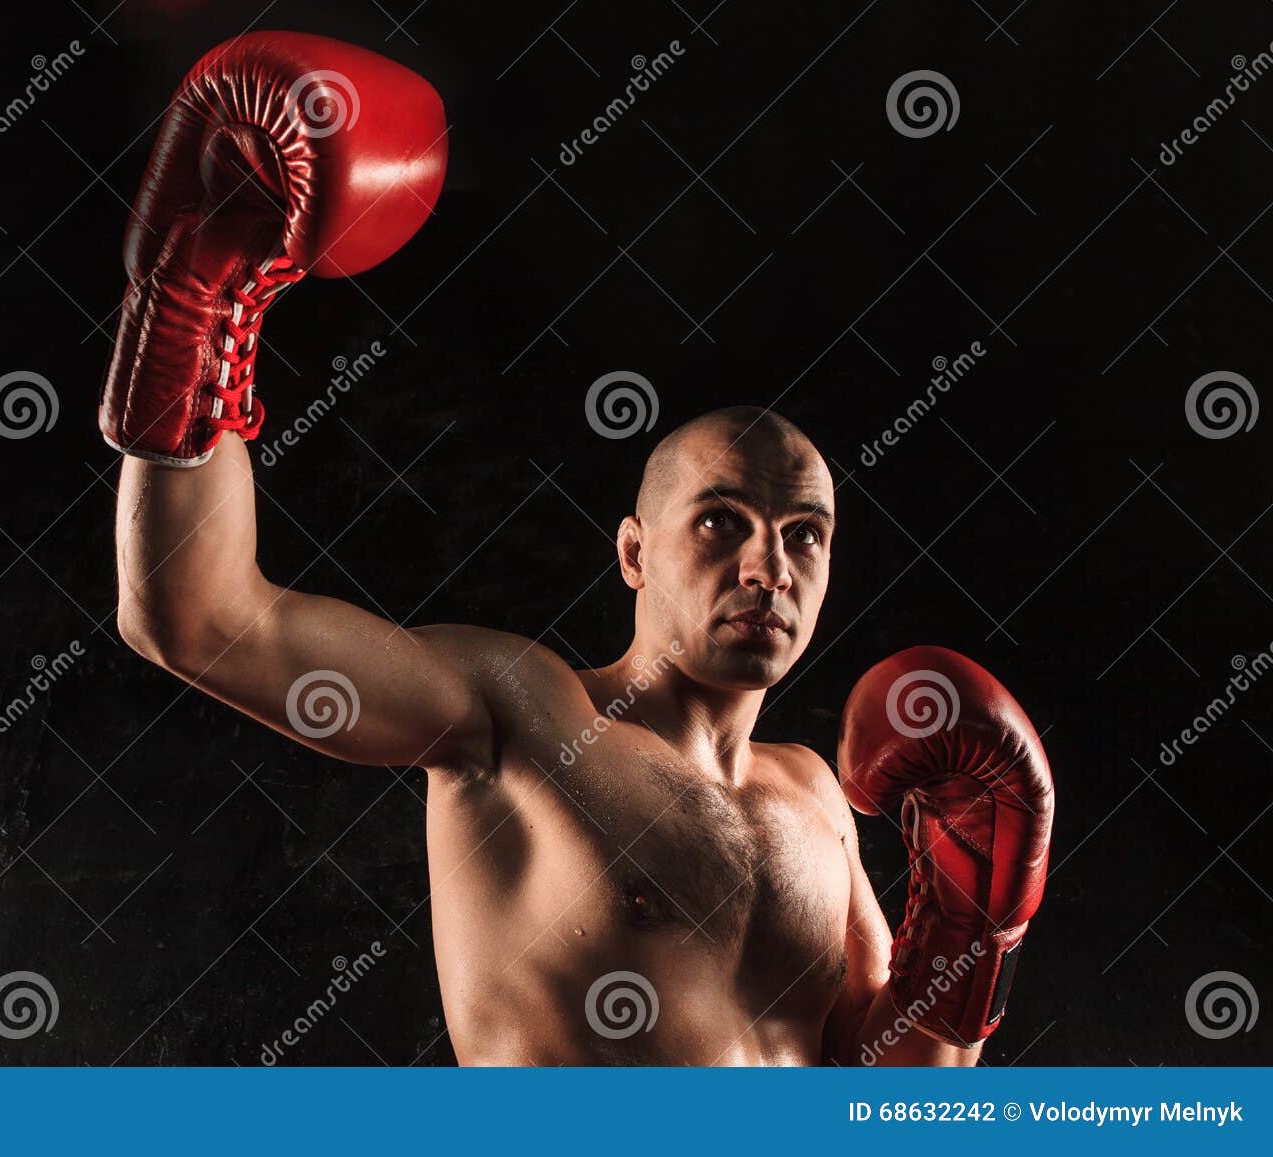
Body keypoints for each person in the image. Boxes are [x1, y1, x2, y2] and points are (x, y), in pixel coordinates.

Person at [101, 32, 1054, 1065]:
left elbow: (893, 1090)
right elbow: (197, 617)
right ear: (634, 552)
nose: (765, 566)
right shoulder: (517, 710)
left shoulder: (815, 796)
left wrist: (972, 934)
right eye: (721, 520)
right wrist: (198, 301)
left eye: (803, 535)